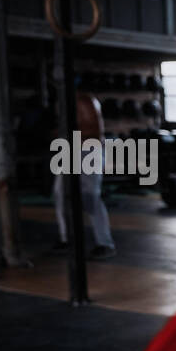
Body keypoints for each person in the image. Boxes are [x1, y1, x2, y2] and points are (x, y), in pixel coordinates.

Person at [52, 91, 116, 259]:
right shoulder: (63, 103)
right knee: (60, 193)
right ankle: (67, 239)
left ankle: (105, 243)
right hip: (72, 151)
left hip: (90, 150)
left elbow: (91, 131)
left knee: (90, 197)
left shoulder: (85, 102)